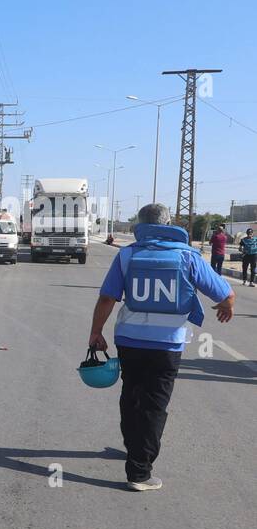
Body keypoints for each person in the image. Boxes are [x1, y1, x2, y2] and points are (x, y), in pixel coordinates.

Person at [87, 204, 234, 491]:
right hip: (167, 344)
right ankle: (140, 472)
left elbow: (108, 298)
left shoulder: (127, 254)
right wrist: (227, 304)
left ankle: (134, 449)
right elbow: (224, 292)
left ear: (141, 225)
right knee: (154, 404)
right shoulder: (188, 256)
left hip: (129, 340)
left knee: (131, 395)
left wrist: (96, 332)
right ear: (169, 224)